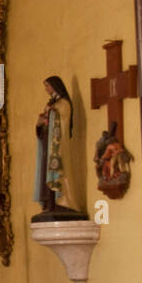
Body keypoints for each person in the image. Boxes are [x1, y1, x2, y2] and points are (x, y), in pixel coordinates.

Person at [34, 76, 87, 220]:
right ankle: (49, 203)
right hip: (48, 145)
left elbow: (63, 118)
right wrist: (40, 122)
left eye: (48, 86)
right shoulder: (51, 103)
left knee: (59, 172)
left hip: (58, 147)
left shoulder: (63, 103)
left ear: (55, 86)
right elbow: (44, 123)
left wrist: (51, 113)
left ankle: (63, 202)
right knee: (46, 173)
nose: (46, 90)